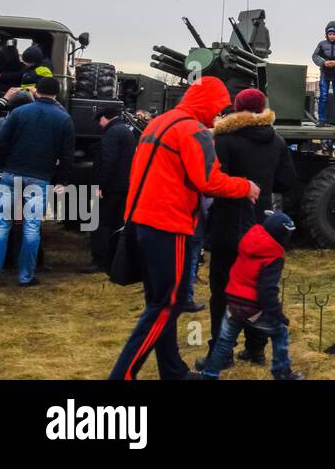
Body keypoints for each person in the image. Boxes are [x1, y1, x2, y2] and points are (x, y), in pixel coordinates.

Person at [108, 76, 260, 381]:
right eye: (218, 107)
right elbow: (210, 181)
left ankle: (173, 371)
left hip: (140, 221)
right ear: (207, 102)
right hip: (168, 224)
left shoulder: (160, 122)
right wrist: (246, 187)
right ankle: (123, 374)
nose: (218, 114)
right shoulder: (192, 130)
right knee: (167, 305)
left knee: (160, 303)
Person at [201, 87, 296, 369]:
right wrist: (264, 186)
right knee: (257, 286)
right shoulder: (276, 140)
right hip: (260, 222)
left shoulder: (225, 140)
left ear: (237, 109)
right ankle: (256, 349)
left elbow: (213, 179)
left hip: (228, 222)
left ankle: (221, 353)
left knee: (221, 289)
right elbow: (288, 180)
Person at [198, 211, 303, 381]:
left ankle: (209, 374)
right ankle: (282, 372)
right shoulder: (273, 256)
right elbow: (267, 290)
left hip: (233, 300)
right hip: (252, 306)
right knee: (279, 333)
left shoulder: (249, 241)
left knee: (224, 341)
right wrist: (277, 313)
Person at [0, 77, 74, 285]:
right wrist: (62, 181)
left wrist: (5, 164)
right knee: (31, 228)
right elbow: (67, 155)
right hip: (39, 179)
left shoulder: (19, 112)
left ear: (37, 91)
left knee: (1, 226)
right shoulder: (64, 119)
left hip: (11, 174)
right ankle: (26, 276)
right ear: (57, 94)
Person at [89, 105, 137, 273]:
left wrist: (101, 185)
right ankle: (113, 259)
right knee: (117, 222)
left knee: (101, 222)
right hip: (124, 185)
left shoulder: (112, 133)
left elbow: (108, 160)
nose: (99, 124)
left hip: (110, 187)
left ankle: (99, 260)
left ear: (104, 118)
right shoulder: (126, 131)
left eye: (99, 120)